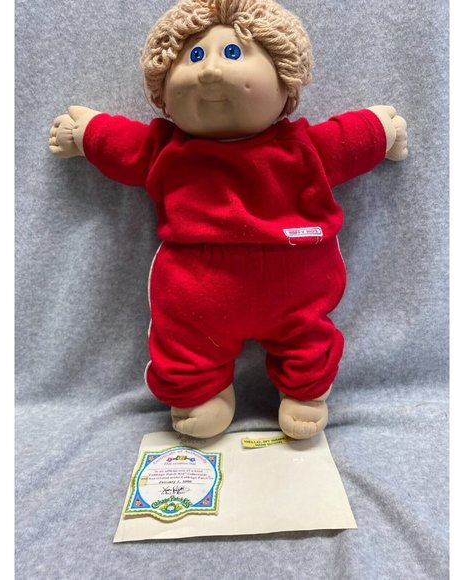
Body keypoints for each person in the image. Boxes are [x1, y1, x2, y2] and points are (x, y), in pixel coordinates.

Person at [48, 0, 408, 439]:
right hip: (198, 296)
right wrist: (88, 133)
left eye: (233, 53)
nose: (210, 71)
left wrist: (380, 129)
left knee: (307, 340)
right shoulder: (165, 149)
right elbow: (123, 145)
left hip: (295, 293)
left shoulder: (304, 149)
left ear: (284, 79)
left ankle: (305, 392)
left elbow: (346, 140)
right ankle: (201, 394)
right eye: (195, 56)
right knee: (185, 346)